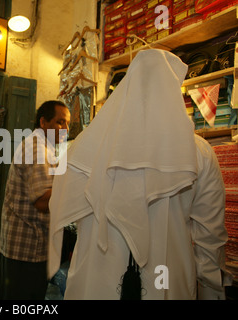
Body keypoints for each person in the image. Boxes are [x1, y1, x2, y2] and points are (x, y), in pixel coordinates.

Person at [48, 49, 233, 300]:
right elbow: (209, 239)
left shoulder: (86, 147)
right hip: (166, 279)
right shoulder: (197, 152)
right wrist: (213, 292)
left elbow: (63, 209)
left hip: (94, 280)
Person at [0, 100, 71, 300]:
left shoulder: (40, 145)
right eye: (60, 122)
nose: (65, 128)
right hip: (28, 248)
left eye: (67, 124)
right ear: (43, 122)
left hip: (21, 245)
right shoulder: (38, 149)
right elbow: (41, 201)